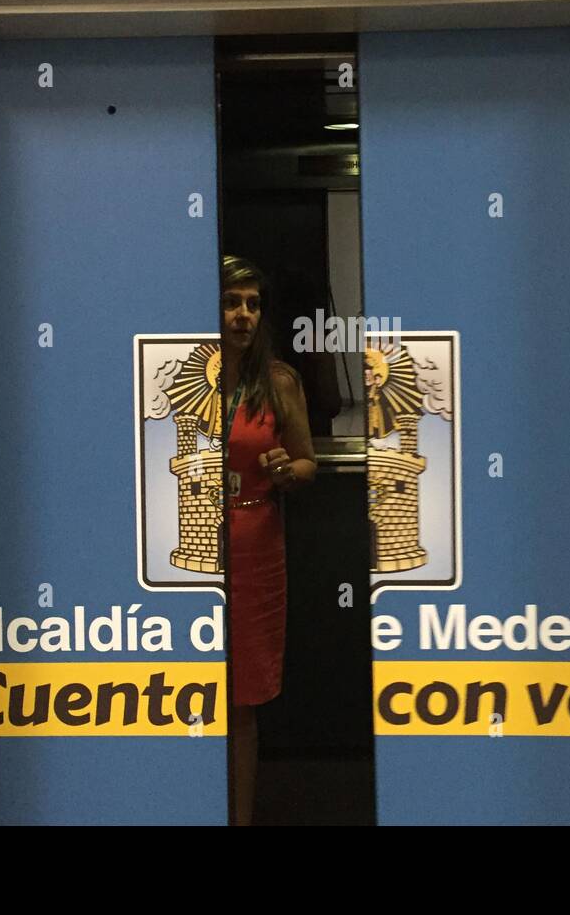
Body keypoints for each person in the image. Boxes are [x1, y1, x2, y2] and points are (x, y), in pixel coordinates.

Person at [219, 255, 316, 826]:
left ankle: (241, 818)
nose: (244, 315)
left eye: (253, 304)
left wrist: (288, 470)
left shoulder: (278, 381)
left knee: (243, 698)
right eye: (232, 302)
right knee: (184, 685)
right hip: (193, 548)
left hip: (256, 545)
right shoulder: (185, 376)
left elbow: (309, 464)